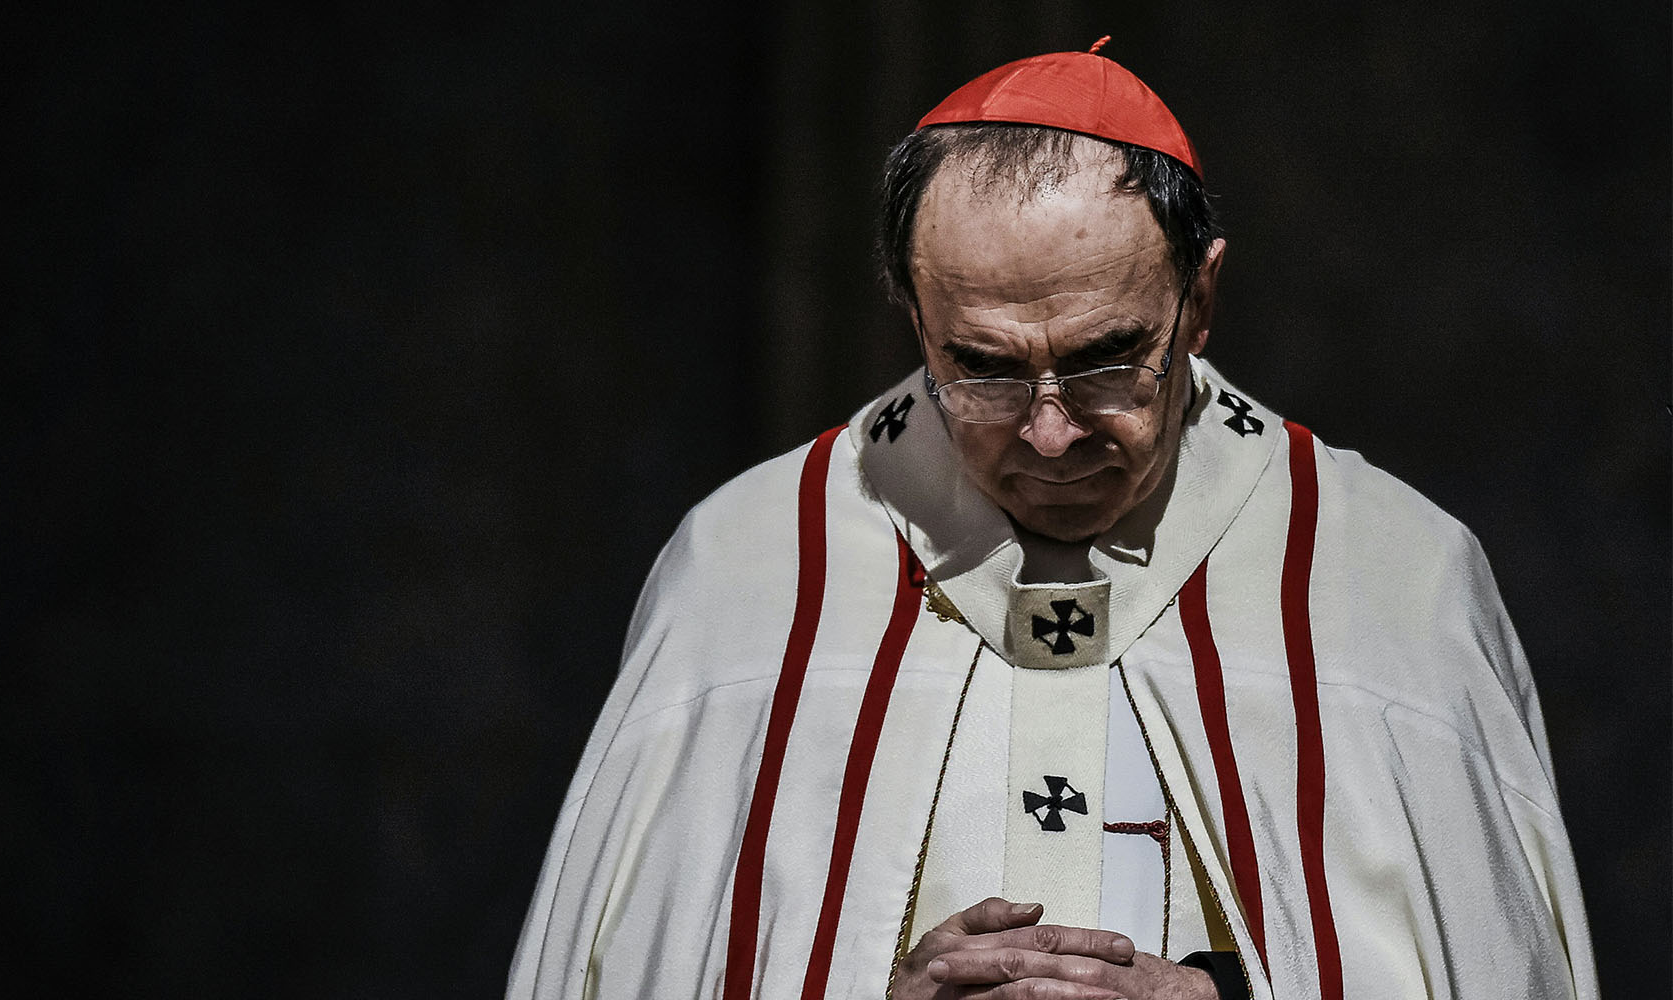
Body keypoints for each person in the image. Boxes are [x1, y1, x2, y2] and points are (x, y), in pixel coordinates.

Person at [508, 41, 1597, 1000]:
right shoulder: (744, 565)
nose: (1046, 433)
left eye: (1103, 360)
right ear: (911, 310)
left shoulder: (1394, 572)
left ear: (1199, 300)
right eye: (979, 367)